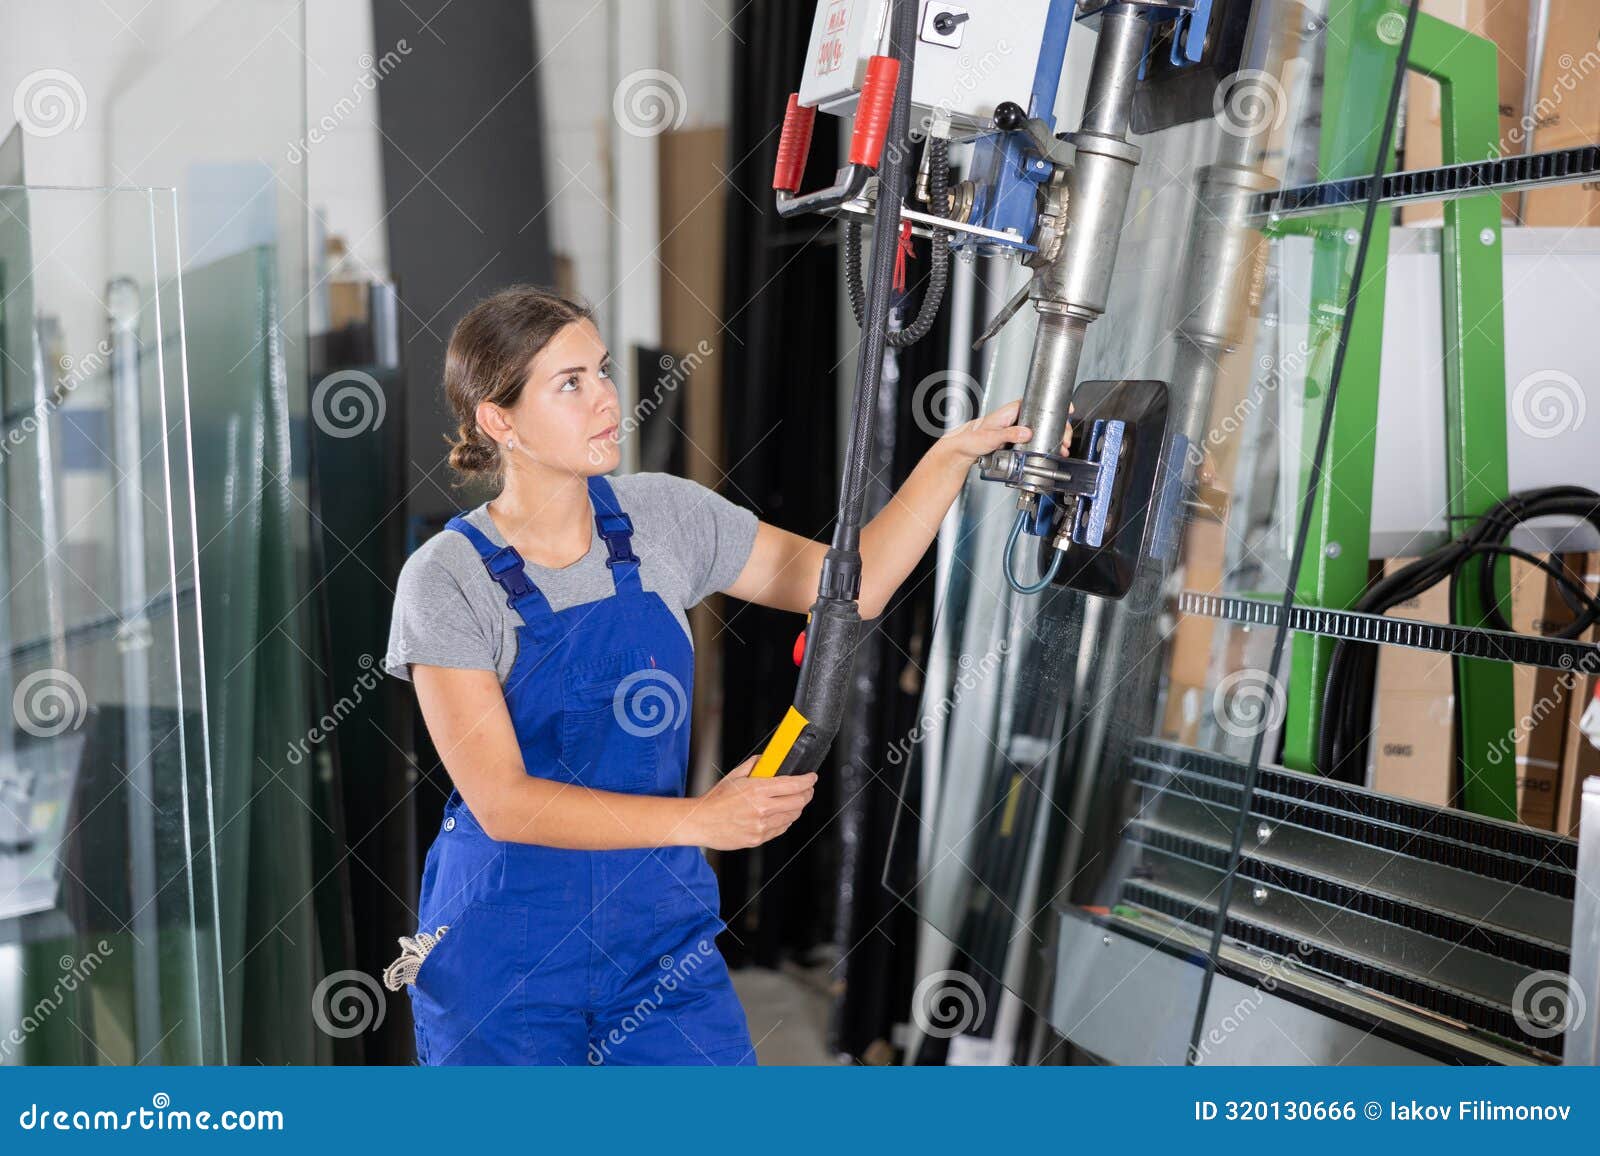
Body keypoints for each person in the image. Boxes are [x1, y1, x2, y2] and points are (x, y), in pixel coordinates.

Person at [381, 284, 1064, 1065]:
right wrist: (703, 821)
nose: (607, 397)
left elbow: (852, 587)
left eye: (602, 370)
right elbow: (503, 802)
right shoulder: (446, 580)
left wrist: (950, 458)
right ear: (499, 421)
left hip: (655, 939)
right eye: (570, 383)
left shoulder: (662, 517)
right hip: (505, 954)